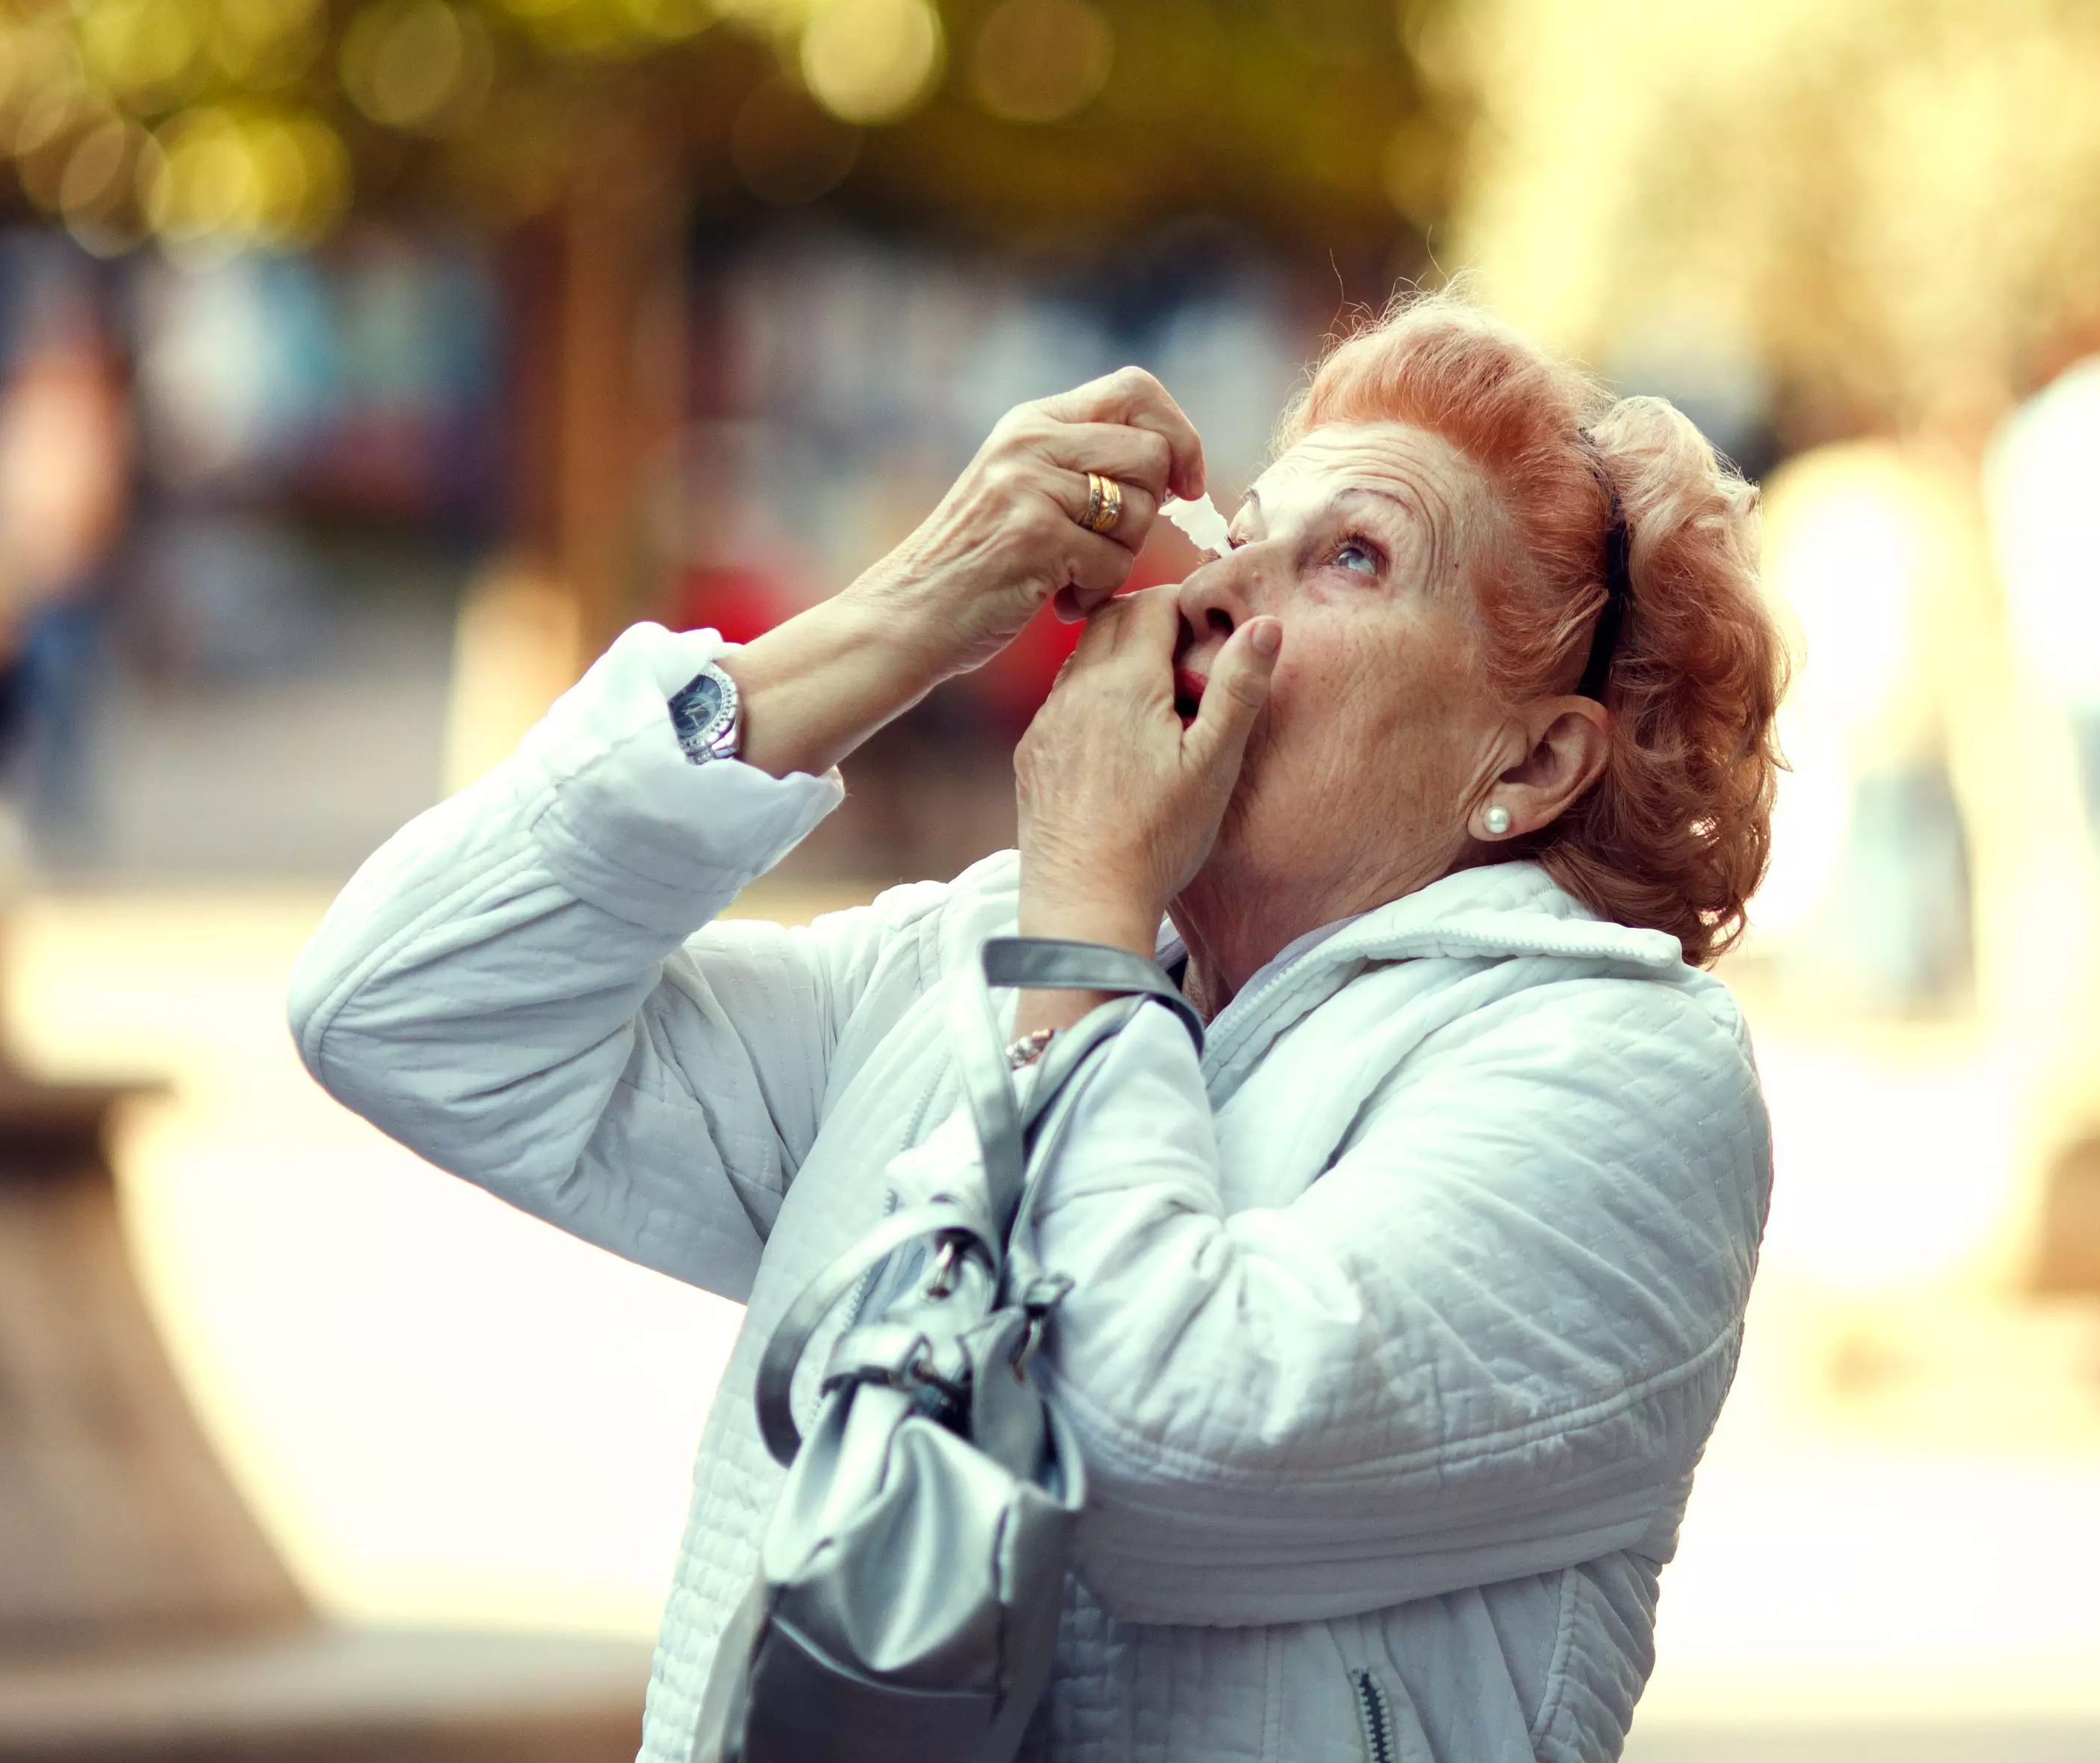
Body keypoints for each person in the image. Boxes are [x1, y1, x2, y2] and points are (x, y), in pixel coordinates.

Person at [287, 292, 1784, 1763]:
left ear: (1527, 756)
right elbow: (407, 1005)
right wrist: (911, 608)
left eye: (1351, 557)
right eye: (1248, 521)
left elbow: (1164, 1449)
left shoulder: (1625, 1076)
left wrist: (1088, 919)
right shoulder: (969, 955)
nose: (1218, 583)